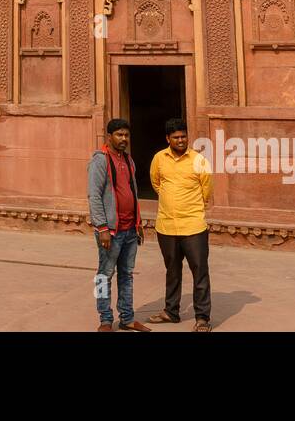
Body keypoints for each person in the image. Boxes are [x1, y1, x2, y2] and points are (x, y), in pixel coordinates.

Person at [148, 118, 214, 332]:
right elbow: (156, 183)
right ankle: (171, 311)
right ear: (168, 138)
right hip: (166, 226)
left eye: (183, 136)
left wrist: (189, 206)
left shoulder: (199, 160)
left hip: (193, 226)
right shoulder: (159, 158)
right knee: (172, 271)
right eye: (175, 137)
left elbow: (207, 190)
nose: (180, 140)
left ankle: (202, 318)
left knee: (199, 272)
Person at [86, 118, 149, 332]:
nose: (124, 139)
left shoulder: (128, 160)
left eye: (126, 135)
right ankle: (105, 319)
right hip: (110, 231)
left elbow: (132, 192)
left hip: (129, 229)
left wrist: (138, 222)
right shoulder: (100, 161)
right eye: (119, 135)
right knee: (104, 275)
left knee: (127, 274)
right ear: (109, 137)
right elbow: (94, 196)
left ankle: (127, 318)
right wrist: (102, 227)